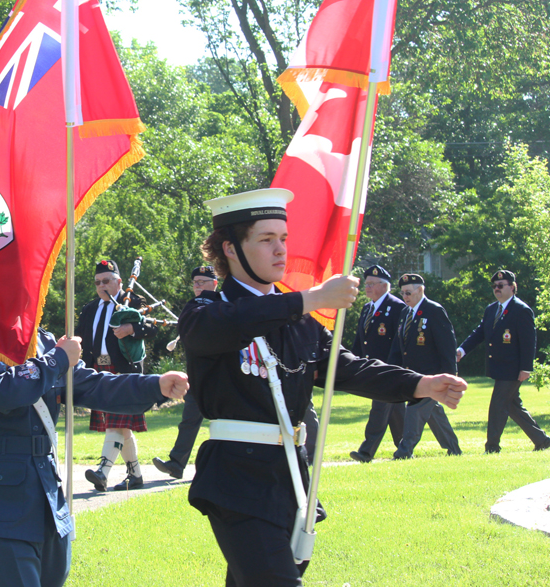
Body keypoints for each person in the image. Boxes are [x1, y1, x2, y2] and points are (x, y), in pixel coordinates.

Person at [178, 188, 467, 587]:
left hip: (291, 477)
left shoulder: (301, 320)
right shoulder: (207, 311)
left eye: (283, 238)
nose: (280, 250)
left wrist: (422, 383)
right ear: (230, 248)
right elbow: (227, 325)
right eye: (265, 240)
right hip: (237, 479)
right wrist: (310, 298)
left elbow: (349, 369)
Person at [0, 328, 189, 587]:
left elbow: (93, 384)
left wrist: (154, 385)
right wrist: (57, 359)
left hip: (45, 492)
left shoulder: (43, 340)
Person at [77, 259, 158, 491]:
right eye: (97, 282)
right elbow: (81, 338)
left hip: (123, 370)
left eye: (107, 281)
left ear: (119, 281)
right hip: (98, 371)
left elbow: (152, 328)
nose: (101, 285)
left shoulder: (131, 301)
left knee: (115, 422)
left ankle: (103, 471)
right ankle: (136, 475)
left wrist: (132, 329)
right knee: (122, 427)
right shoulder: (90, 308)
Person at [457, 270, 550, 453]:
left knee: (498, 406)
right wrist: (462, 350)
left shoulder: (521, 310)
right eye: (494, 286)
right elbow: (480, 333)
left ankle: (492, 447)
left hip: (513, 369)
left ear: (513, 287)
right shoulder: (491, 309)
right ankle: (543, 441)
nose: (496, 289)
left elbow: (528, 341)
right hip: (499, 367)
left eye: (501, 286)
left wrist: (526, 368)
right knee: (513, 407)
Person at [390, 274, 463, 459]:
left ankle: (405, 451)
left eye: (408, 292)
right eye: (402, 293)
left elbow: (447, 346)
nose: (404, 297)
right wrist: (391, 368)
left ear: (420, 290)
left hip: (432, 375)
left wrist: (450, 377)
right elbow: (400, 346)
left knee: (414, 410)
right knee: (433, 413)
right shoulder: (406, 313)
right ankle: (453, 449)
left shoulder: (434, 311)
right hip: (413, 375)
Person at [153, 265, 215, 480]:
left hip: (220, 377)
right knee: (189, 420)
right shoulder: (191, 307)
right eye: (195, 283)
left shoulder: (224, 304)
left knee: (225, 423)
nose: (197, 287)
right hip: (197, 376)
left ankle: (227, 465)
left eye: (202, 282)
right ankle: (177, 464)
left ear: (214, 284)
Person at [348, 265, 406, 463]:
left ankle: (366, 451)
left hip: (389, 368)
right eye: (367, 284)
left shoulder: (398, 307)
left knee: (380, 407)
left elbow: (399, 341)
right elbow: (360, 341)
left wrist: (391, 367)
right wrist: (352, 362)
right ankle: (405, 448)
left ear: (384, 286)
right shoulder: (367, 308)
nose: (367, 288)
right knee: (395, 409)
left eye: (372, 284)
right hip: (371, 367)